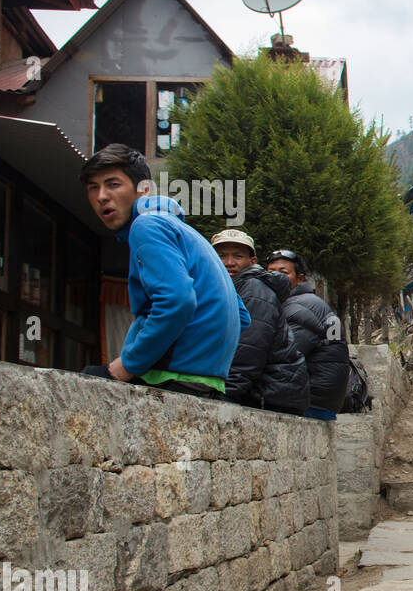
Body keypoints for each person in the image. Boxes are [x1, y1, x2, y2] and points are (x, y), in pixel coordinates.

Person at [79, 144, 248, 398]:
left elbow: (176, 300)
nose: (102, 195)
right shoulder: (187, 233)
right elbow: (242, 316)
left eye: (113, 184)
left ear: (144, 189)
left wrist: (127, 365)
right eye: (93, 187)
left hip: (172, 376)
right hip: (209, 382)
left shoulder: (146, 225)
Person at [211, 230, 309, 415]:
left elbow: (250, 348)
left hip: (270, 394)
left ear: (253, 261)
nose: (229, 262)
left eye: (238, 256)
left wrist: (224, 395)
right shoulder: (228, 288)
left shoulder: (254, 291)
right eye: (222, 255)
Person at [265, 249, 350, 420]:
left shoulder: (301, 307)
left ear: (300, 278)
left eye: (283, 273)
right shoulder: (304, 302)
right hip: (321, 398)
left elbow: (284, 356)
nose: (275, 278)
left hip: (312, 401)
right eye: (270, 273)